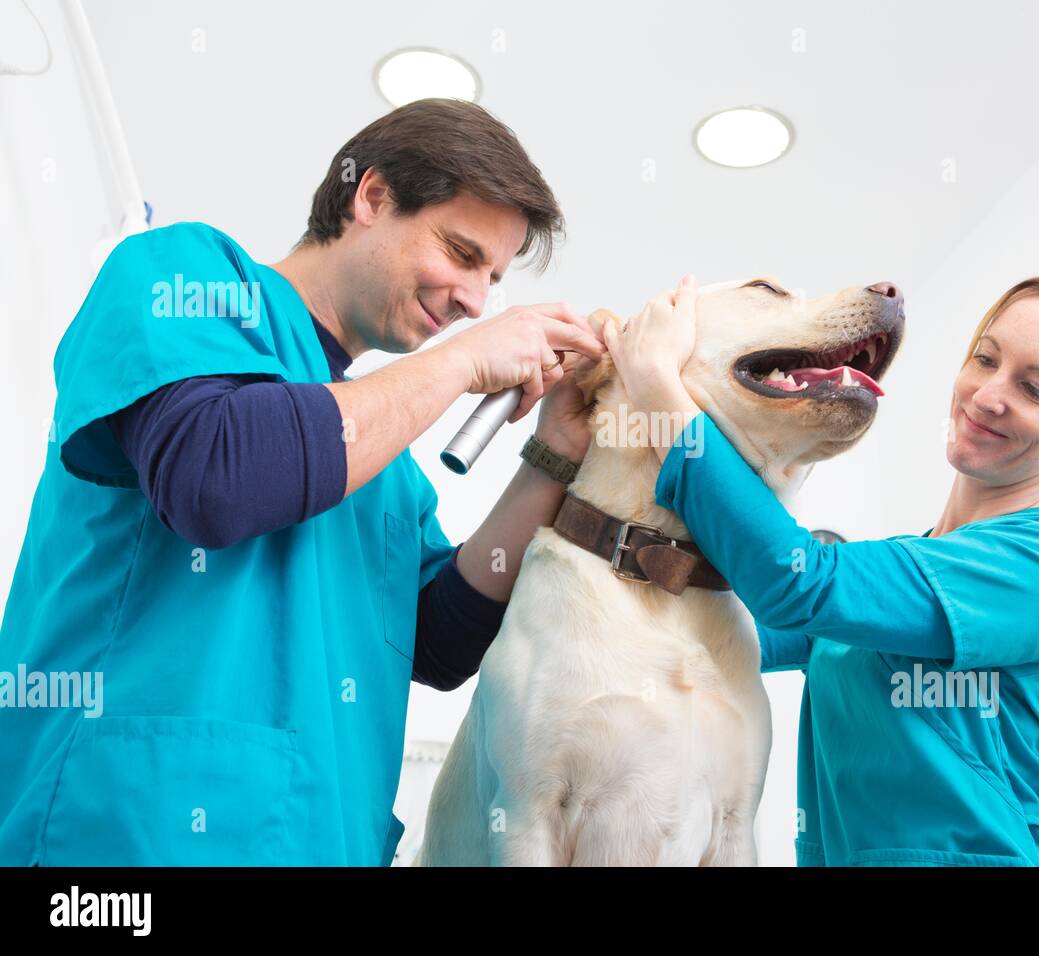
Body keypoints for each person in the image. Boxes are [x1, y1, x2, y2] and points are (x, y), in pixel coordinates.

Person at [0, 98, 606, 866]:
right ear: (372, 196)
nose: (474, 302)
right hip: (125, 846)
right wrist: (461, 364)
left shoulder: (387, 471)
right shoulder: (179, 275)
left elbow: (440, 641)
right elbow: (216, 476)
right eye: (460, 253)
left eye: (492, 278)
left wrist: (551, 455)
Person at [603, 273, 1039, 866]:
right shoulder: (906, 575)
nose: (989, 395)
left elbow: (799, 585)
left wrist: (657, 384)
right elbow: (709, 636)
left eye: (1036, 390)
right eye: (985, 359)